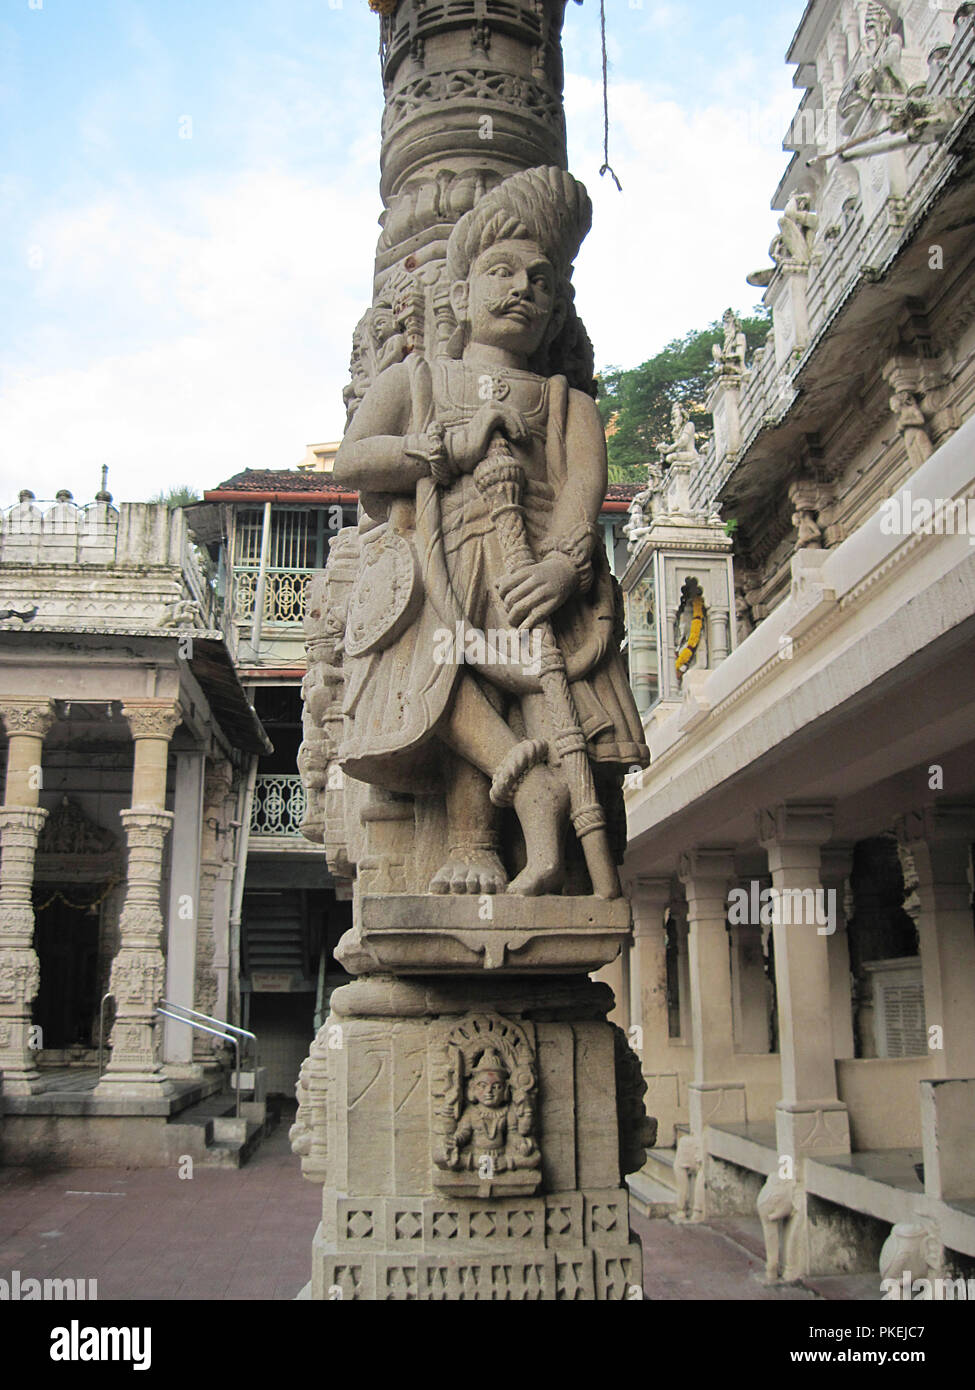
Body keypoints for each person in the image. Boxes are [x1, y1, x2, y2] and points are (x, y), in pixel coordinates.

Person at [333, 166, 648, 896]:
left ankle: (544, 836)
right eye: (501, 271)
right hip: (447, 561)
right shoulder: (417, 383)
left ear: (557, 309)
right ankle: (476, 835)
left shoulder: (567, 402)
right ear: (459, 292)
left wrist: (565, 567)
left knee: (545, 702)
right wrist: (444, 448)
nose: (523, 288)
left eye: (542, 280)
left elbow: (581, 490)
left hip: (537, 575)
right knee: (443, 674)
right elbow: (356, 458)